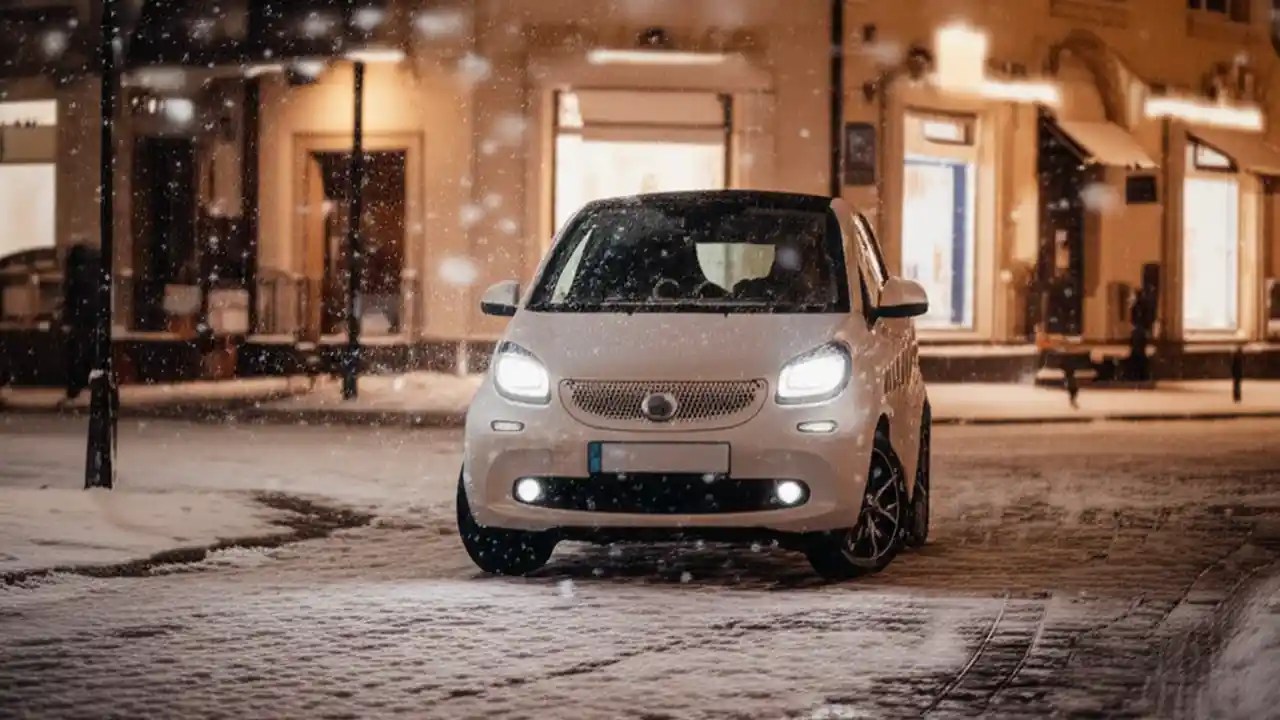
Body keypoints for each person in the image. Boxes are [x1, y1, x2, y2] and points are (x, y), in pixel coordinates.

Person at [61, 244, 101, 401]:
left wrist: (68, 317)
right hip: (91, 318)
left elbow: (71, 297)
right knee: (89, 352)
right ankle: (86, 385)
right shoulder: (92, 272)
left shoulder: (76, 274)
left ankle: (75, 387)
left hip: (81, 319)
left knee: (76, 352)